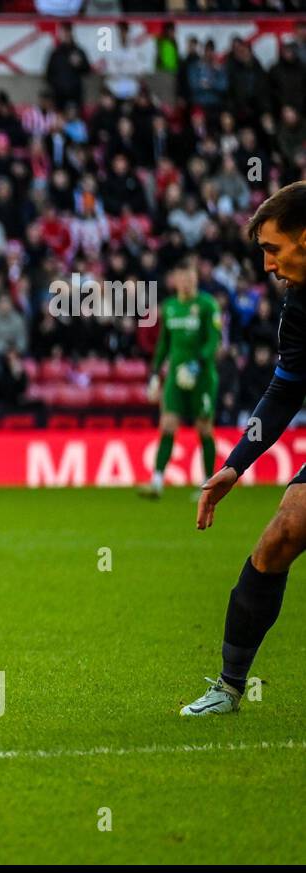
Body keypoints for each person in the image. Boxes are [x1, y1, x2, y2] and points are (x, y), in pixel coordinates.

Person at [186, 182, 306, 715]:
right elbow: (284, 392)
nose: (267, 265)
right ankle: (228, 688)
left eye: (273, 249)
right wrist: (234, 466)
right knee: (281, 534)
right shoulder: (298, 306)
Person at [138, 260, 221, 500]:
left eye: (190, 278)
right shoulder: (170, 307)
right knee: (167, 424)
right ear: (175, 280)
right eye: (181, 278)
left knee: (204, 428)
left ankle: (208, 484)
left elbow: (213, 340)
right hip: (175, 376)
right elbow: (164, 342)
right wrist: (155, 372)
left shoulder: (207, 305)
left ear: (195, 279)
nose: (185, 283)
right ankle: (156, 483)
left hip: (202, 376)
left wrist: (198, 363)